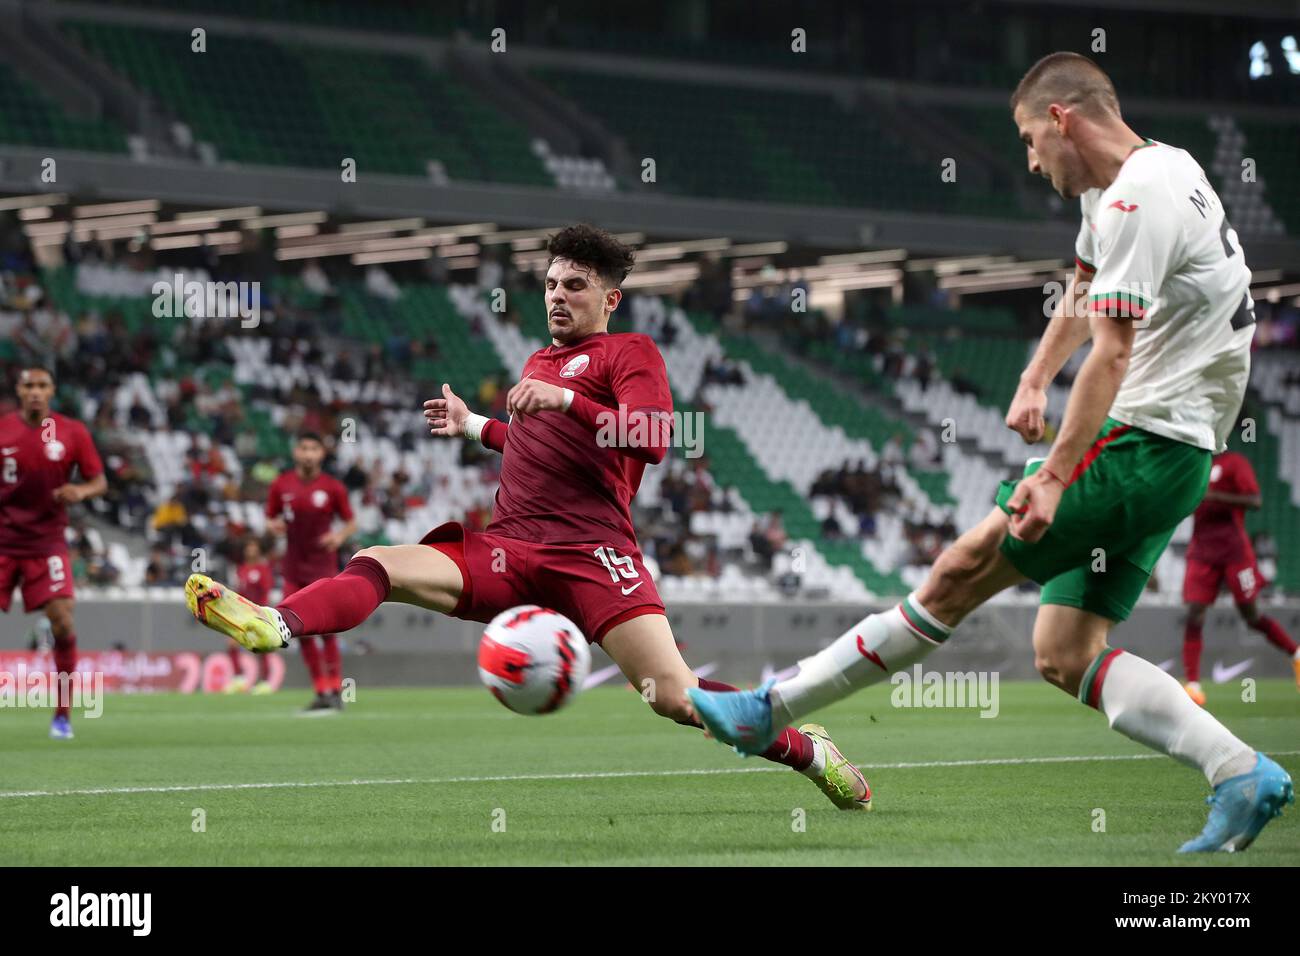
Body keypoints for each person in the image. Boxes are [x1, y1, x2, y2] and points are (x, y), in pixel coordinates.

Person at [686, 52, 1292, 853]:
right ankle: (1239, 769)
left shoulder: (1136, 199)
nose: (1030, 159)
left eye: (1029, 139)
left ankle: (771, 710)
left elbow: (1112, 353)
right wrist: (1036, 376)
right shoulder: (1157, 173)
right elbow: (1083, 287)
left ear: (1062, 118)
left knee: (960, 570)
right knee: (1065, 651)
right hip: (1174, 454)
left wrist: (1053, 474)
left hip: (1144, 440)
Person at [184, 224, 870, 810]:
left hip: (594, 558)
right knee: (382, 563)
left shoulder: (628, 353)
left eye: (574, 284)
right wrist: (474, 424)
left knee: (675, 699)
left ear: (610, 297)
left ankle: (806, 750)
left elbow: (654, 436)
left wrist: (568, 402)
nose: (558, 296)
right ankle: (279, 623)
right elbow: (538, 440)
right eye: (550, 284)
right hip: (510, 551)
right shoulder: (540, 360)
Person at [0, 367, 107, 739]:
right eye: (28, 385)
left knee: (62, 620)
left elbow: (99, 480)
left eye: (42, 386)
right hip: (3, 539)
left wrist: (81, 492)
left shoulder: (73, 431)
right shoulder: (3, 429)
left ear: (52, 391)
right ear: (18, 389)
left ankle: (62, 715)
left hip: (47, 543)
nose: (35, 392)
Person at [1182, 449, 1299, 704]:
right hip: (1201, 551)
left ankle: (1296, 653)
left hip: (1234, 551)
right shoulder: (1193, 462)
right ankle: (1193, 685)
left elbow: (1255, 500)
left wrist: (1213, 496)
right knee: (1194, 613)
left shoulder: (1234, 462)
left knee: (1251, 616)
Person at [265, 433, 357, 711]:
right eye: (303, 447)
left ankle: (335, 689)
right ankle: (321, 691)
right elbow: (270, 516)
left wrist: (338, 537)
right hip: (293, 570)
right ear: (296, 452)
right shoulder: (282, 485)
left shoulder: (332, 488)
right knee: (297, 631)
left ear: (321, 454)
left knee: (328, 632)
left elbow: (351, 522)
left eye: (313, 448)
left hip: (323, 570)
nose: (308, 453)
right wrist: (272, 526)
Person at [226, 537, 276, 695]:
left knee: (261, 647)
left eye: (253, 547)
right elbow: (238, 593)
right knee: (232, 644)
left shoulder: (263, 569)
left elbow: (265, 593)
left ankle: (266, 682)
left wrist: (261, 613)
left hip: (258, 613)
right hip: (241, 613)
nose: (250, 550)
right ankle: (238, 679)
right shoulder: (241, 569)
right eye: (248, 547)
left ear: (258, 550)